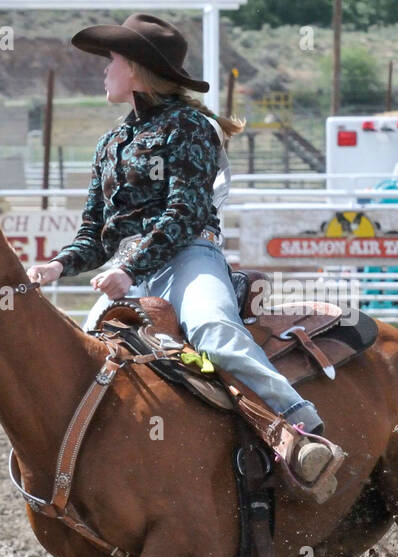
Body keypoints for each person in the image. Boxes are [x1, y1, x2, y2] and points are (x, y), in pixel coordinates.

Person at [25, 13, 337, 490]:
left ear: (134, 68)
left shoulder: (188, 126)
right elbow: (96, 231)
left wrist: (129, 269)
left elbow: (185, 212)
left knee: (211, 330)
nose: (103, 71)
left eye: (111, 61)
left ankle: (302, 424)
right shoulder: (110, 143)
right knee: (83, 355)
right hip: (133, 270)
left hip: (189, 255)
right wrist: (58, 264)